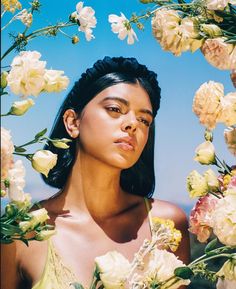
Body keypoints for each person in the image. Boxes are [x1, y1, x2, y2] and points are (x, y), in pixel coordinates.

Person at [1, 56, 190, 289]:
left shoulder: (166, 226)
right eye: (115, 109)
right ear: (73, 122)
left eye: (144, 120)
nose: (132, 124)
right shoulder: (22, 233)